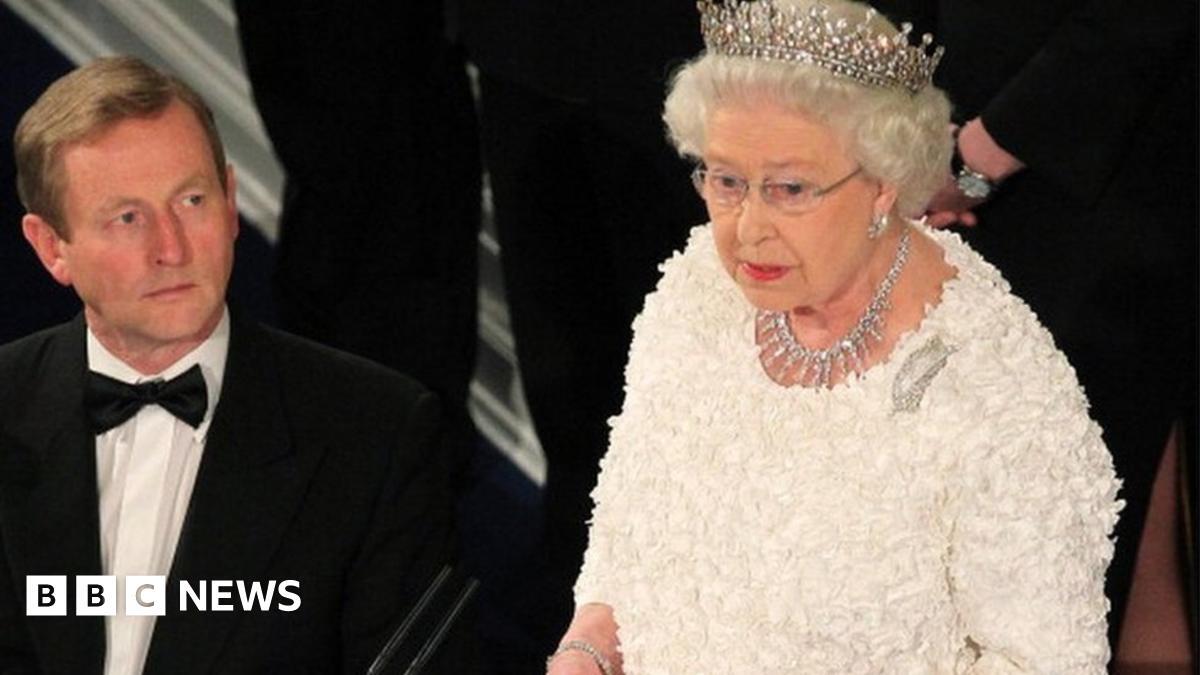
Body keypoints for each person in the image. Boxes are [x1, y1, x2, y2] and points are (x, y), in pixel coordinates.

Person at [546, 1, 1122, 673]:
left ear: (883, 183)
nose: (748, 227)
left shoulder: (999, 390)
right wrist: (587, 644)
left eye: (790, 188)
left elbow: (1044, 662)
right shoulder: (695, 291)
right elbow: (626, 533)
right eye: (726, 180)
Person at [0, 56, 459, 674]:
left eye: (191, 200)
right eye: (127, 218)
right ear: (52, 247)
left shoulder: (377, 433)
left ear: (231, 200)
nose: (172, 248)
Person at [867, 0, 1197, 651]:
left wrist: (972, 162)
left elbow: (1140, 21)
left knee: (1074, 540)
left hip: (1091, 187)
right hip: (933, 166)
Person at [454, 2, 706, 669]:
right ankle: (576, 621)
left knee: (689, 384)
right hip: (524, 56)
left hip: (689, 73)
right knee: (563, 377)